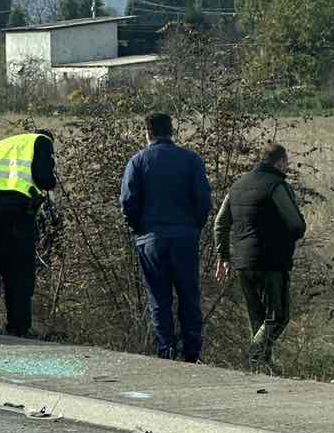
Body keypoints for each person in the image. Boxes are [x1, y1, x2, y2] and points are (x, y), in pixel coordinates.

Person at [119, 112, 212, 361]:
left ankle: (166, 349)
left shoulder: (137, 162)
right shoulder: (191, 160)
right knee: (188, 295)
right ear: (172, 131)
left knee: (159, 298)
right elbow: (203, 200)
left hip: (151, 240)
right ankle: (192, 352)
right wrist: (195, 227)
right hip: (184, 237)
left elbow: (127, 202)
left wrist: (139, 230)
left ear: (147, 133)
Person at [214, 143, 306, 373]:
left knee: (258, 318)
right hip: (271, 262)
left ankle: (261, 367)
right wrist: (286, 241)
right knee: (278, 315)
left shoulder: (237, 185)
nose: (287, 167)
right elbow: (296, 225)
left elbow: (220, 223)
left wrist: (223, 257)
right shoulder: (276, 185)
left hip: (242, 263)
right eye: (286, 163)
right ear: (280, 162)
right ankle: (254, 356)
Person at [0, 128, 57, 337]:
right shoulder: (42, 142)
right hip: (20, 215)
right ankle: (20, 327)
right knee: (22, 272)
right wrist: (51, 172)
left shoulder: (5, 148)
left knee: (6, 269)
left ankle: (10, 323)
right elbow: (45, 179)